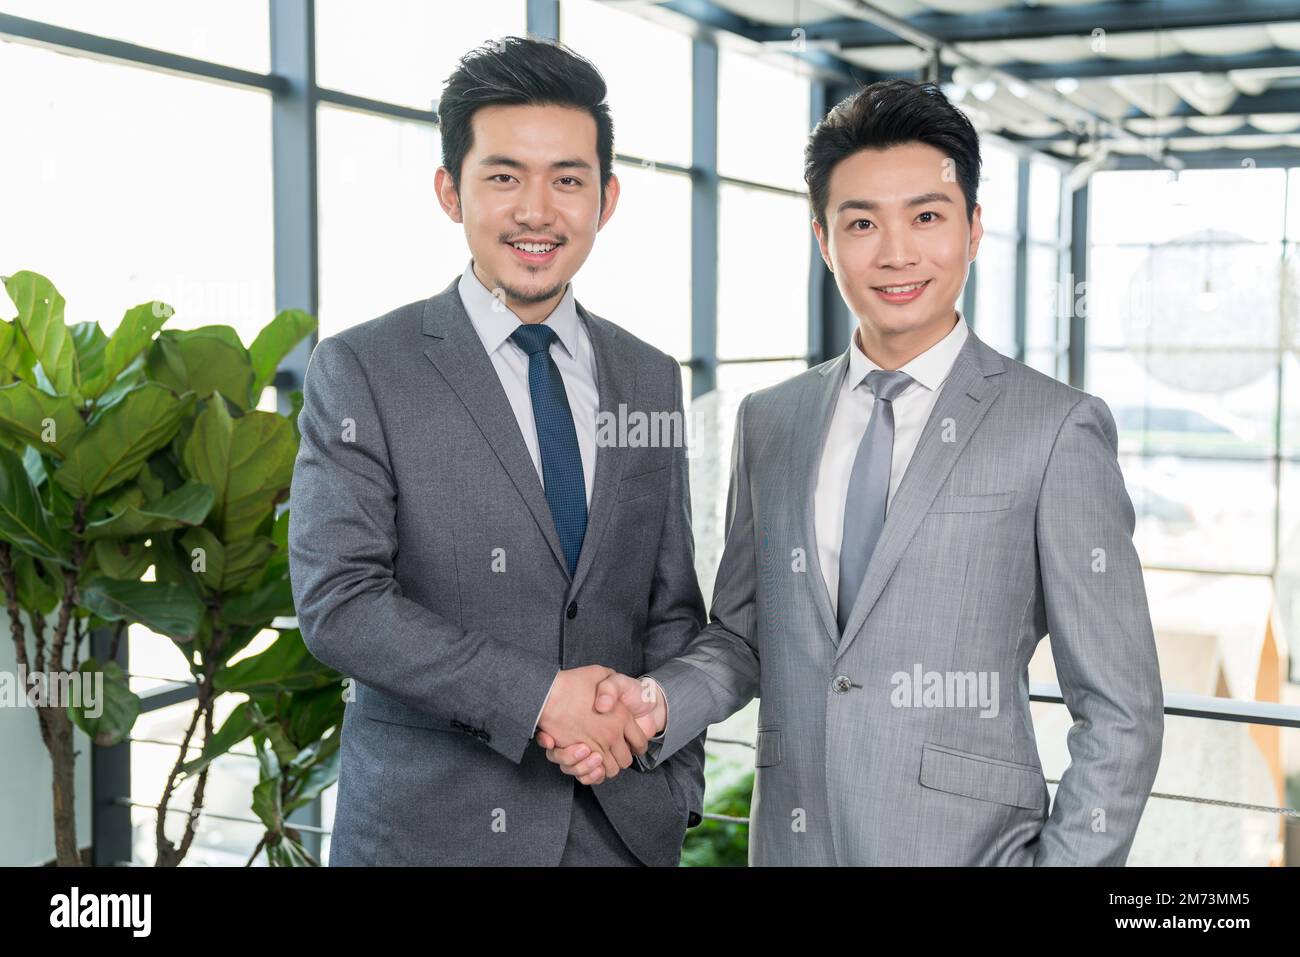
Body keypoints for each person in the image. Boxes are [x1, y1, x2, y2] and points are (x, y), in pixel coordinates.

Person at [540, 79, 1165, 866]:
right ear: (823, 239)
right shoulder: (771, 420)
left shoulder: (1054, 428)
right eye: (862, 222)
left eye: (927, 217)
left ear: (973, 229)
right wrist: (653, 701)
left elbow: (1122, 711)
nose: (896, 252)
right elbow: (742, 636)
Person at [289, 36, 706, 866]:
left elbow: (669, 609)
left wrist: (676, 782)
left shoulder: (649, 377)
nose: (537, 211)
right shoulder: (365, 368)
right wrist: (540, 696)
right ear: (451, 191)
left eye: (568, 180)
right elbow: (340, 601)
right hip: (430, 833)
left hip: (617, 831)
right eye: (504, 176)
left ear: (606, 198)